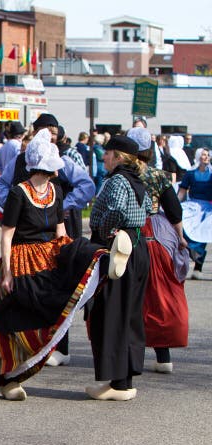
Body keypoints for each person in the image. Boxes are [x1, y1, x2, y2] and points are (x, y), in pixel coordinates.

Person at [0, 129, 115, 400]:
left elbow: (60, 231)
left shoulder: (56, 190)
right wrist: (8, 273)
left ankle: (103, 258)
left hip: (47, 256)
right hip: (21, 259)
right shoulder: (19, 193)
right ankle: (9, 378)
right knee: (5, 318)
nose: (58, 169)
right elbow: (7, 234)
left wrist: (70, 259)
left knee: (52, 310)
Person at [86, 135, 151, 401]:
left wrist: (103, 231)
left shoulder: (117, 181)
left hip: (119, 248)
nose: (104, 157)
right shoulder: (138, 180)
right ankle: (124, 380)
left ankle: (118, 382)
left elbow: (114, 210)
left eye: (108, 153)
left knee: (112, 312)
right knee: (130, 313)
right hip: (137, 247)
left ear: (118, 156)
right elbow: (150, 209)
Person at [126, 127, 189, 374]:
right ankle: (163, 356)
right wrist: (180, 237)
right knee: (159, 294)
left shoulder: (121, 175)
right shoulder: (159, 176)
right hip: (156, 235)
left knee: (130, 294)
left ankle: (131, 354)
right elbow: (174, 210)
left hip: (129, 233)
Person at [178, 147, 212, 280]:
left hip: (207, 208)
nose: (206, 157)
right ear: (198, 156)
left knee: (203, 232)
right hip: (192, 206)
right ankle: (191, 251)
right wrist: (174, 205)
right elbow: (182, 192)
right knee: (185, 227)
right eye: (203, 155)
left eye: (207, 155)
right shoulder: (190, 174)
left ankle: (198, 267)